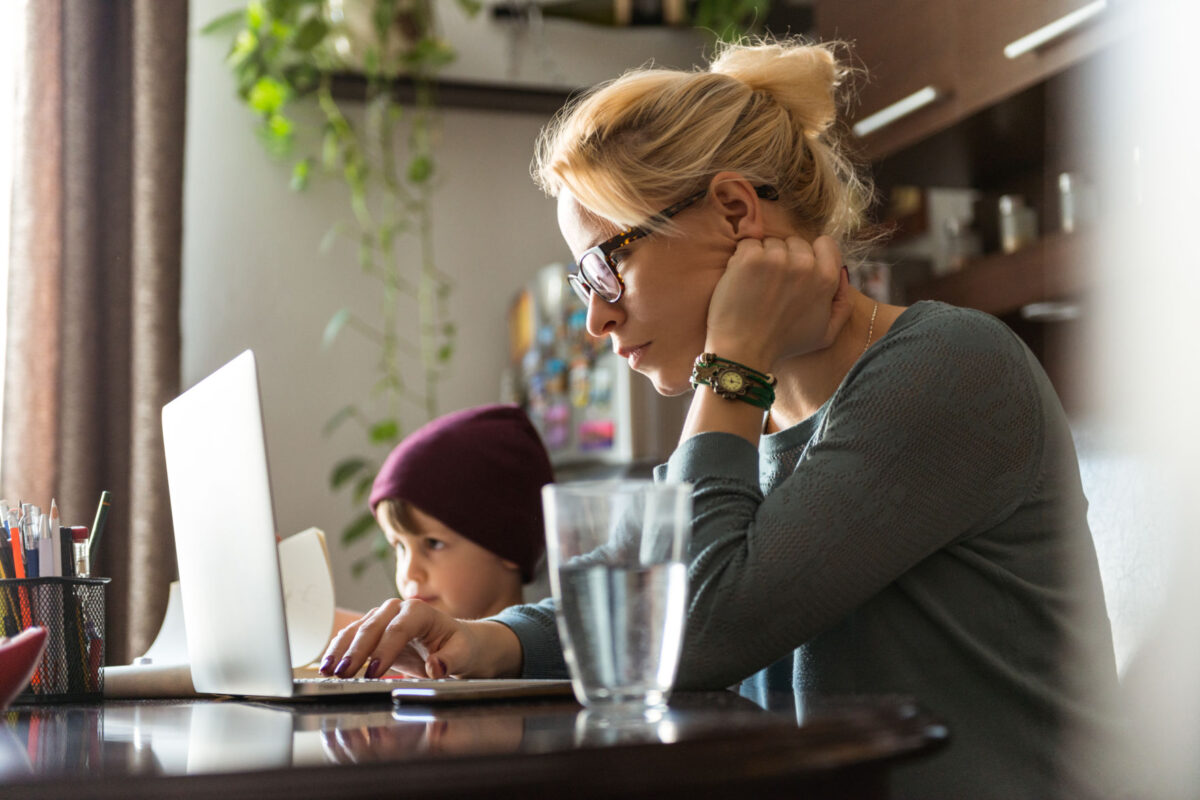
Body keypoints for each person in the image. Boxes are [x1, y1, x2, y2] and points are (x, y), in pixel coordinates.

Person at [320, 38, 1124, 796]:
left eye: (605, 265)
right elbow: (635, 586)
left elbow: (695, 632)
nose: (596, 321)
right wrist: (487, 640)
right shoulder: (756, 418)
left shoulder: (949, 366)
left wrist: (733, 362)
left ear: (737, 211)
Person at [323, 403, 553, 680]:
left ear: (509, 544)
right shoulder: (412, 663)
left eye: (433, 544)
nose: (409, 572)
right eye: (399, 546)